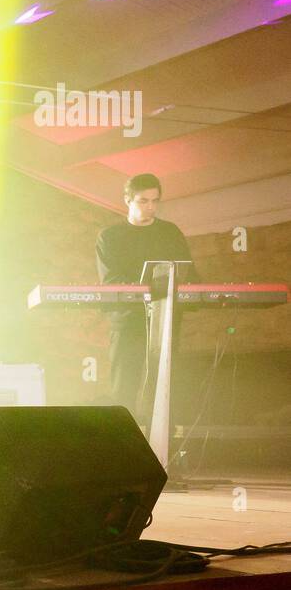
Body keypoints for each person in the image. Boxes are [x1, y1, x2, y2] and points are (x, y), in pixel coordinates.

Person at [95, 172, 192, 421]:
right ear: (127, 200)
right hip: (128, 324)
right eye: (143, 201)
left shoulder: (170, 233)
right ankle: (121, 450)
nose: (150, 207)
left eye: (155, 201)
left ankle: (160, 452)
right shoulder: (111, 237)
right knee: (123, 389)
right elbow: (110, 282)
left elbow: (188, 272)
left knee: (165, 391)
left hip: (165, 322)